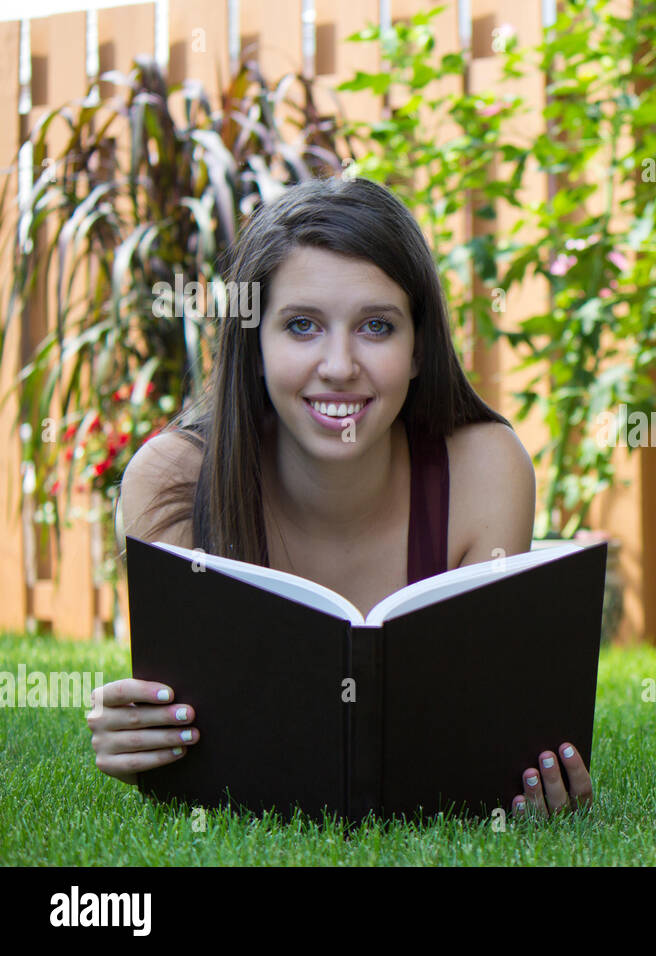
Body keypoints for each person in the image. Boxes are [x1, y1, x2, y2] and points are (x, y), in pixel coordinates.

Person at [87, 176, 591, 820]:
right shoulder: (171, 479)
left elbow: (479, 723)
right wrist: (137, 735)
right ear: (255, 348)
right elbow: (180, 729)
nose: (339, 365)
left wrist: (519, 771)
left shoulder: (484, 468)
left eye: (376, 326)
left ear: (417, 348)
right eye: (301, 326)